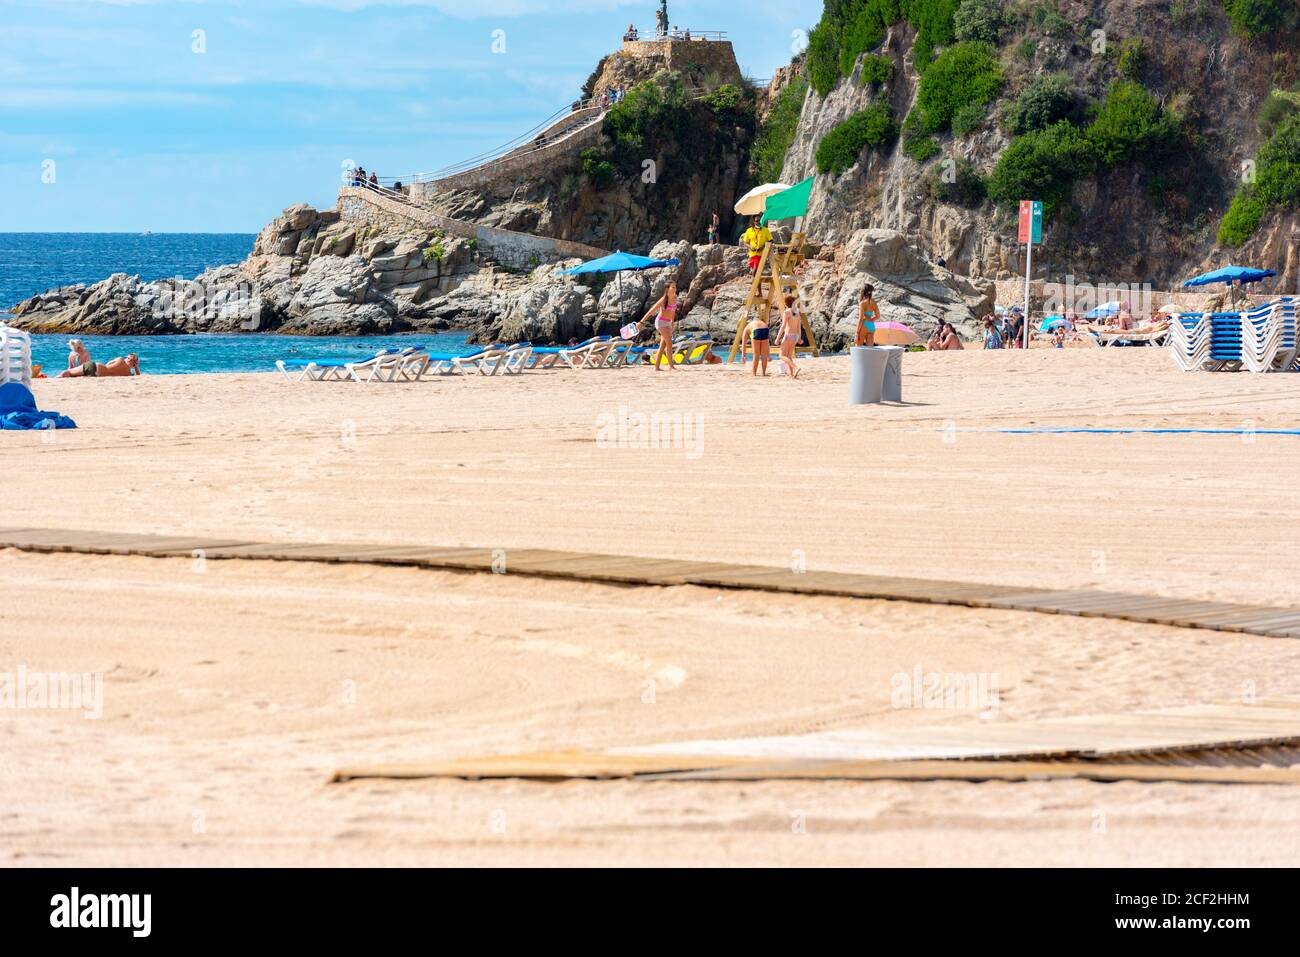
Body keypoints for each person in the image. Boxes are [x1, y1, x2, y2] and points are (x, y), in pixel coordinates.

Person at [638, 280, 679, 371]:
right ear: (667, 289)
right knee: (669, 342)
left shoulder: (675, 298)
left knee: (663, 345)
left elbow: (673, 312)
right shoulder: (663, 300)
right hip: (660, 322)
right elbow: (651, 311)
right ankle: (671, 366)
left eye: (675, 287)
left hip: (668, 323)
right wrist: (641, 322)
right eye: (673, 287)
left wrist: (672, 324)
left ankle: (656, 367)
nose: (675, 289)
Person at [59, 353, 141, 378]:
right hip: (97, 375)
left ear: (128, 358)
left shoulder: (120, 359)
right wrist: (136, 367)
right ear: (134, 364)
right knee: (72, 376)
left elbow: (108, 364)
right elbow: (138, 376)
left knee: (68, 372)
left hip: (97, 367)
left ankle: (54, 378)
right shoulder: (128, 374)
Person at [741, 309, 771, 376]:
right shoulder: (757, 322)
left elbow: (744, 344)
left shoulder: (746, 328)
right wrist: (768, 354)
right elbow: (767, 343)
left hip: (756, 330)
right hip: (765, 328)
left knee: (756, 355)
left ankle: (754, 373)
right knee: (764, 355)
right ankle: (763, 373)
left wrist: (743, 356)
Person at [778, 295, 801, 379]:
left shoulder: (786, 312)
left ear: (786, 303)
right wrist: (799, 338)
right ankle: (792, 374)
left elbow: (783, 326)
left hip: (788, 335)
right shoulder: (797, 312)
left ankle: (795, 367)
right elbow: (799, 327)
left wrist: (777, 338)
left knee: (781, 355)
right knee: (789, 356)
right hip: (795, 336)